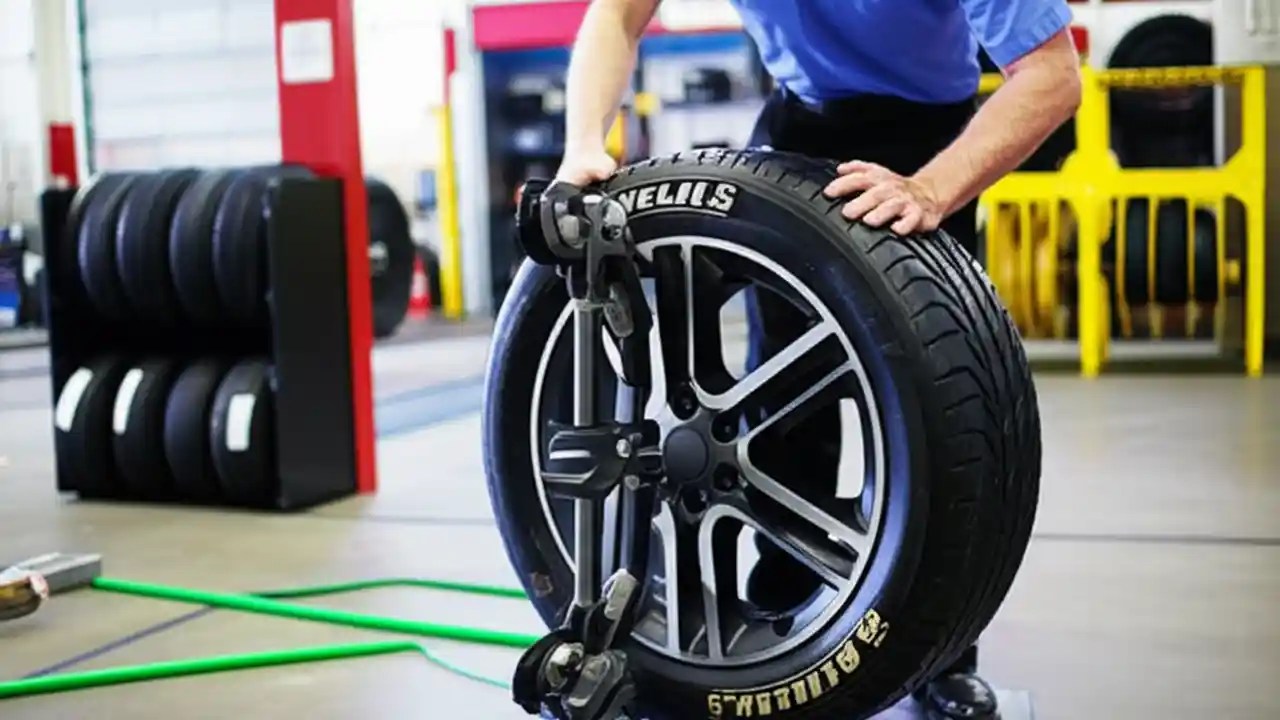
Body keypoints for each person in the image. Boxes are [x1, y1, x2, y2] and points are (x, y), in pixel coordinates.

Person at [554, 1, 1082, 718]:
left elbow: (1052, 76)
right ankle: (780, 636)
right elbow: (616, 14)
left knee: (949, 425)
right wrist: (584, 143)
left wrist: (931, 188)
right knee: (785, 420)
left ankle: (944, 657)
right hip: (799, 128)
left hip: (930, 138)